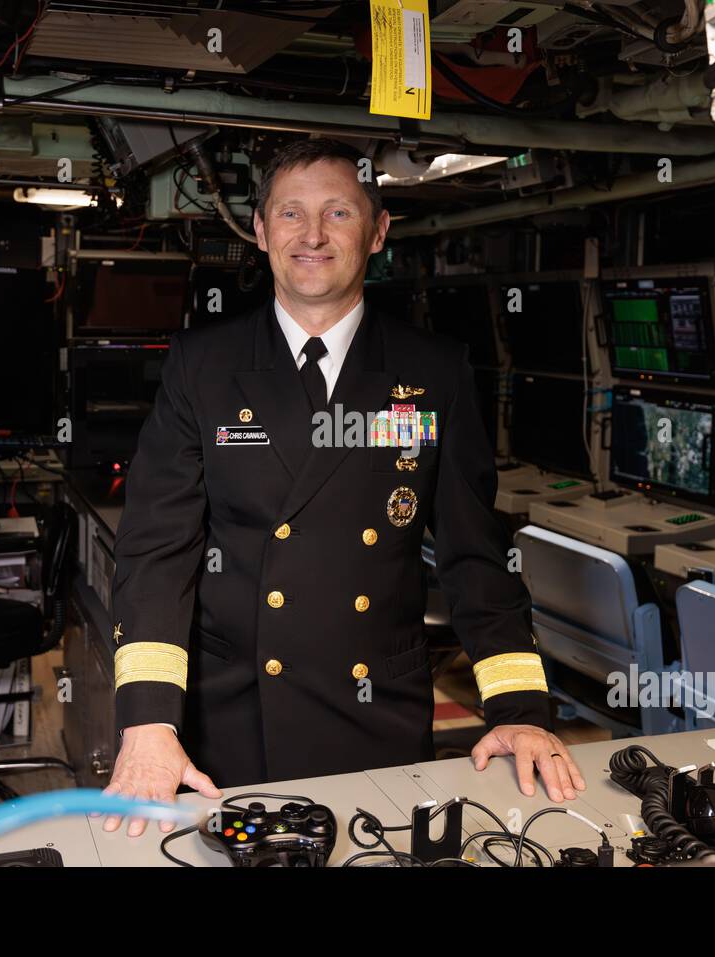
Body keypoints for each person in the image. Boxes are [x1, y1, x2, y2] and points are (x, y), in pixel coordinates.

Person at [102, 138, 584, 837]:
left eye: (339, 213)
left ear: (378, 231)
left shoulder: (436, 371)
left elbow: (478, 558)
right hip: (228, 718)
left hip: (375, 715)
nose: (313, 236)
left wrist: (520, 712)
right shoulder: (203, 366)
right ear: (261, 230)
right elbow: (156, 552)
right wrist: (147, 718)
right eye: (291, 214)